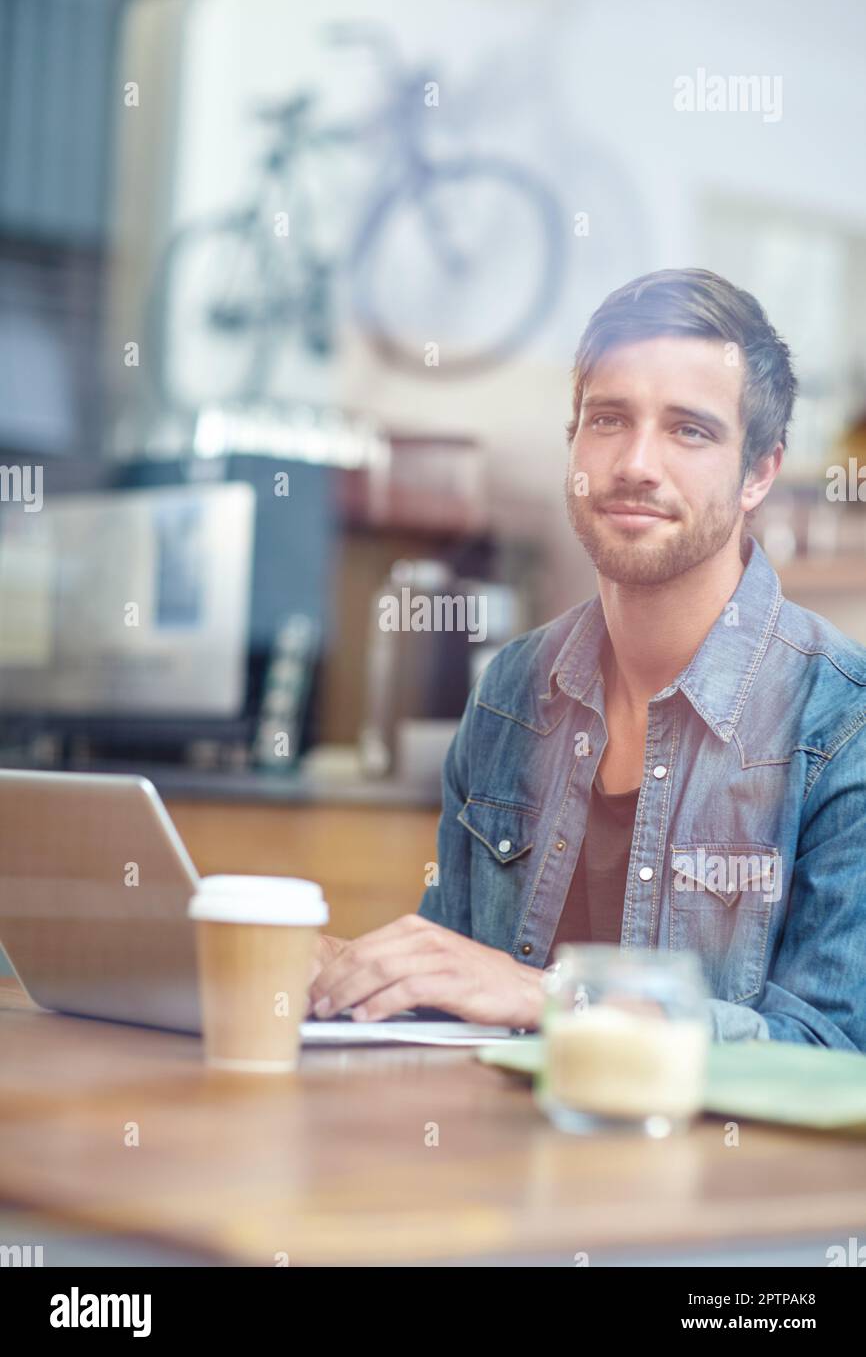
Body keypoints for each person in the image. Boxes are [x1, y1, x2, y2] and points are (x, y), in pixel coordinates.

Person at [308, 268, 866, 1050]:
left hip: (718, 1172)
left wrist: (558, 997)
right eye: (608, 420)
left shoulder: (844, 721)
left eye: (689, 430)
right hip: (500, 1163)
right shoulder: (510, 692)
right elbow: (459, 995)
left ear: (760, 473)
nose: (637, 463)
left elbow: (834, 1055)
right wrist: (350, 975)